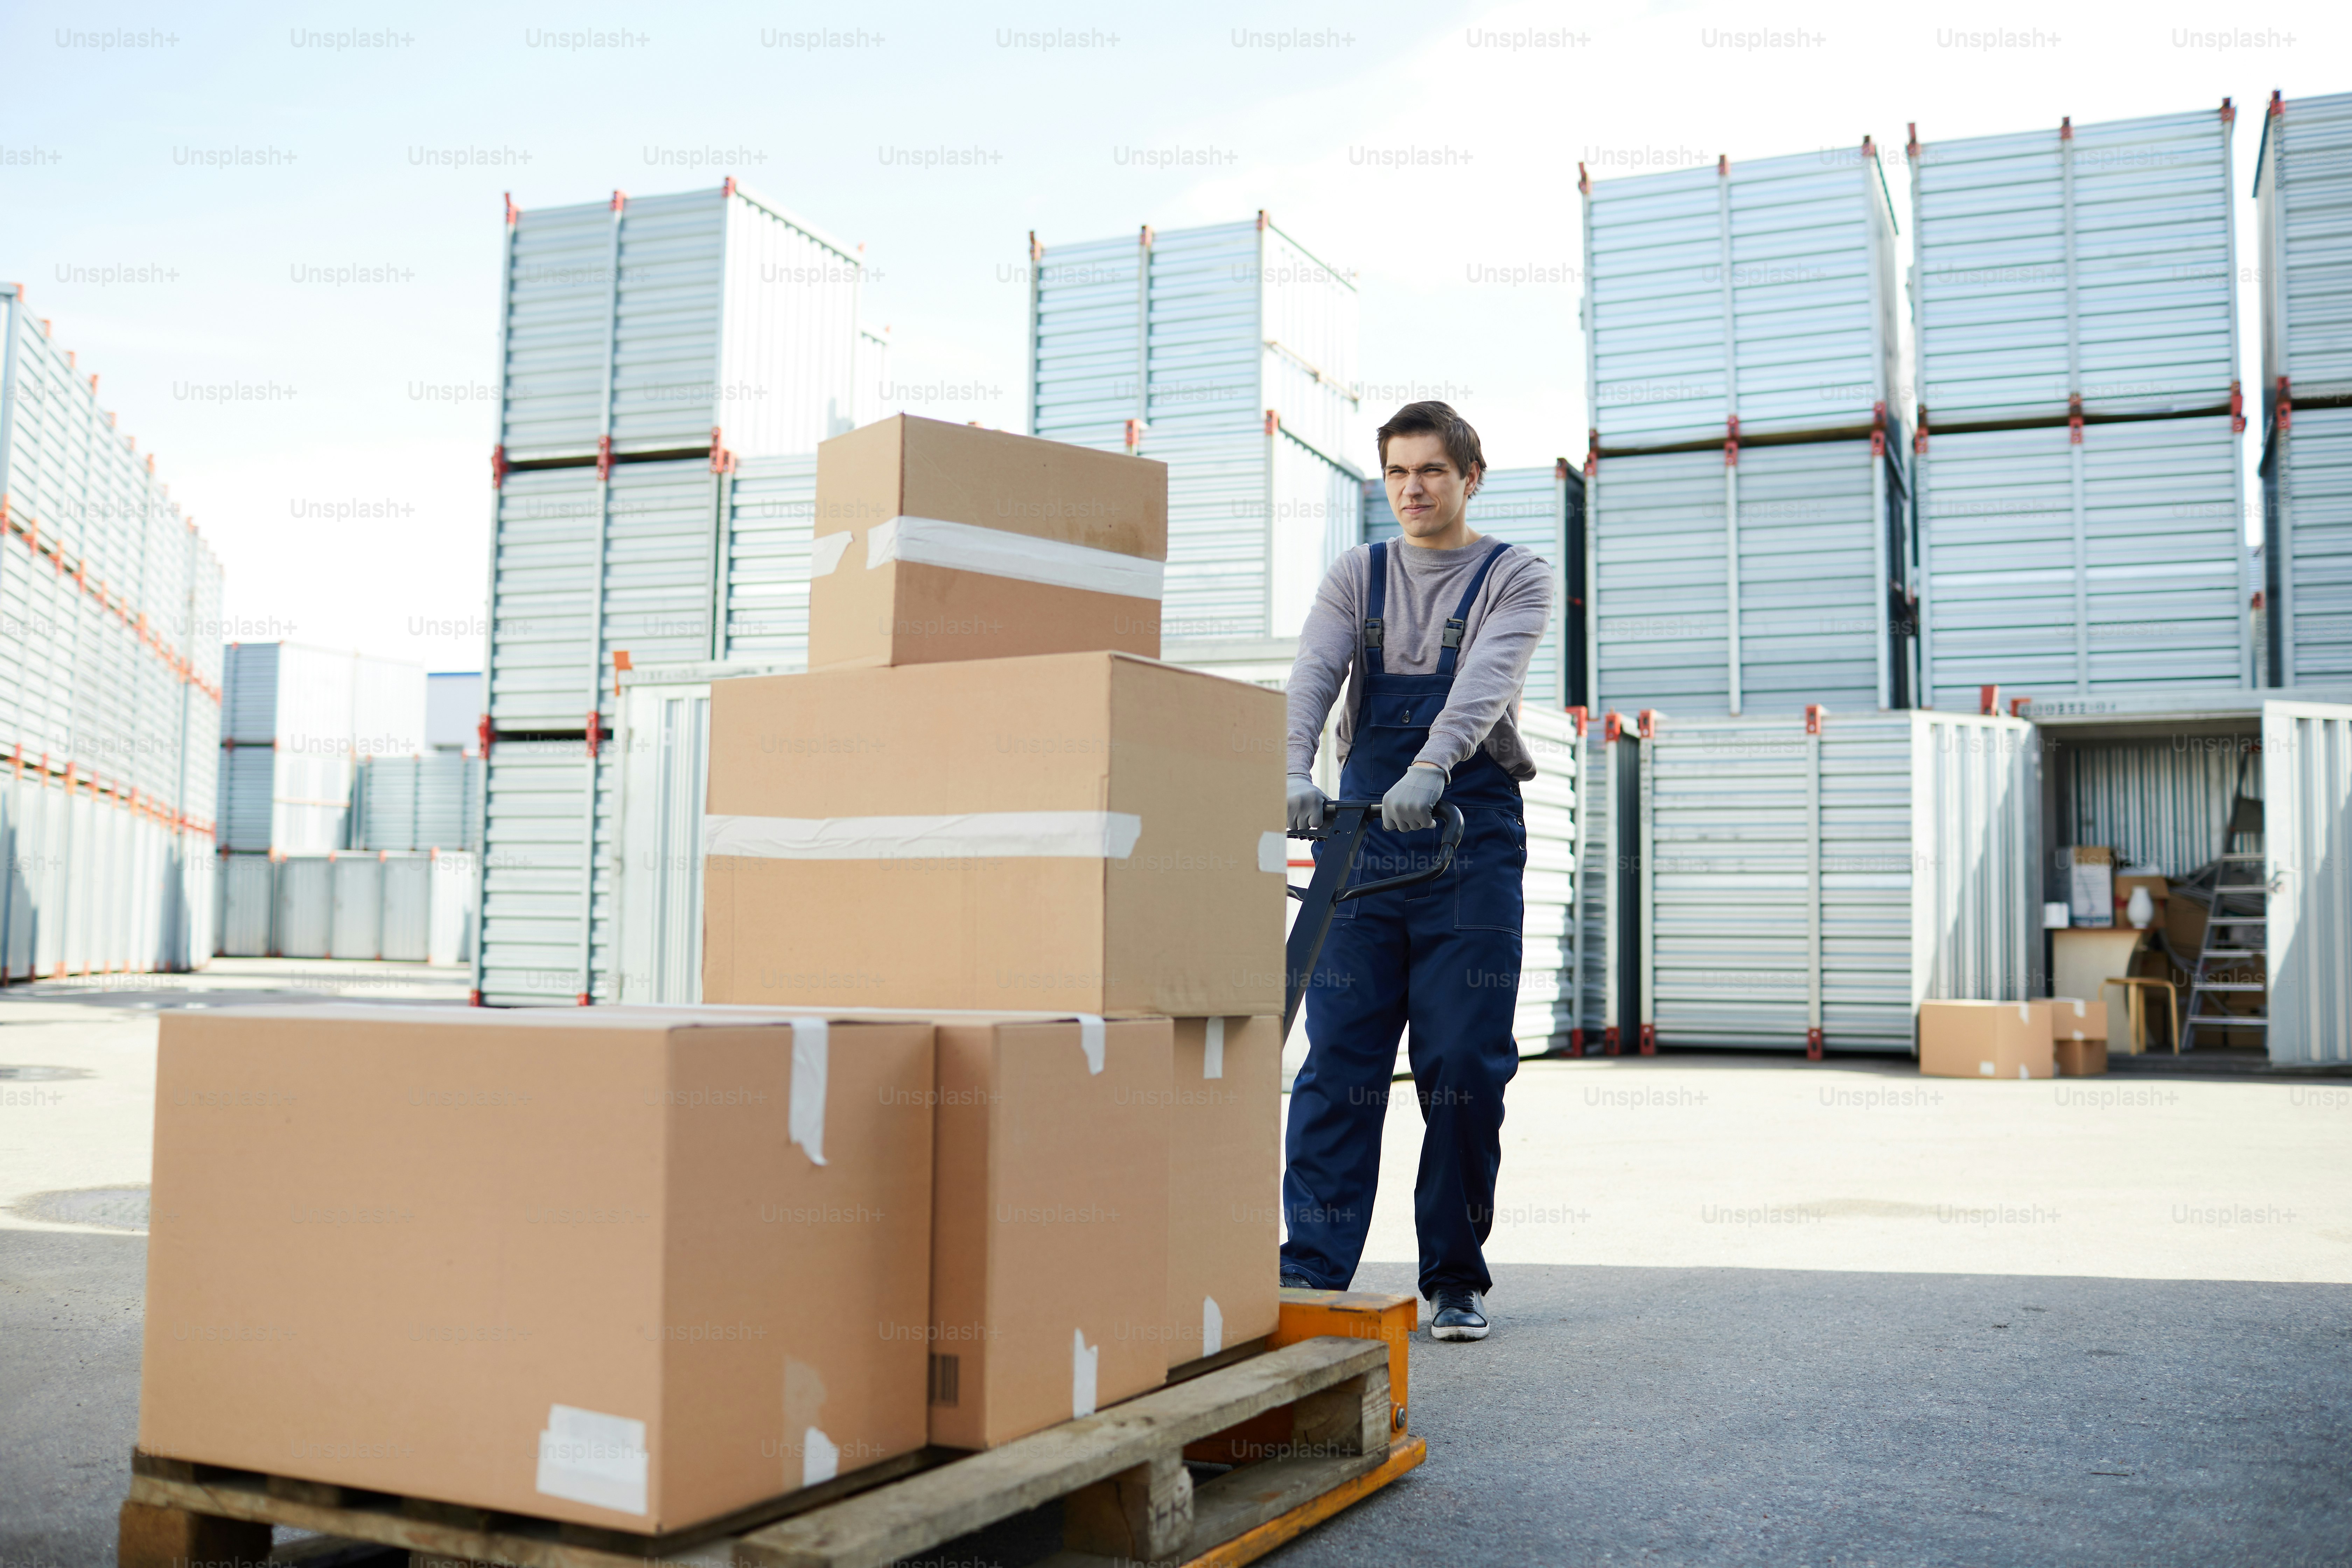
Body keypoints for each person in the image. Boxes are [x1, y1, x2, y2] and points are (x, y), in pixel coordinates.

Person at [1279, 400, 1553, 1342]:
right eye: (1397, 473)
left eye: (1432, 471)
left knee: (1463, 1069)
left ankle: (1454, 1277)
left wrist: (1432, 767)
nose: (1413, 490)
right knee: (1339, 1064)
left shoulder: (1514, 574)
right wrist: (1292, 770)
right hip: (1363, 846)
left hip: (1467, 843)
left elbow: (1485, 681)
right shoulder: (1359, 573)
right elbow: (1315, 672)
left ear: (1470, 476)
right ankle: (1311, 1268)